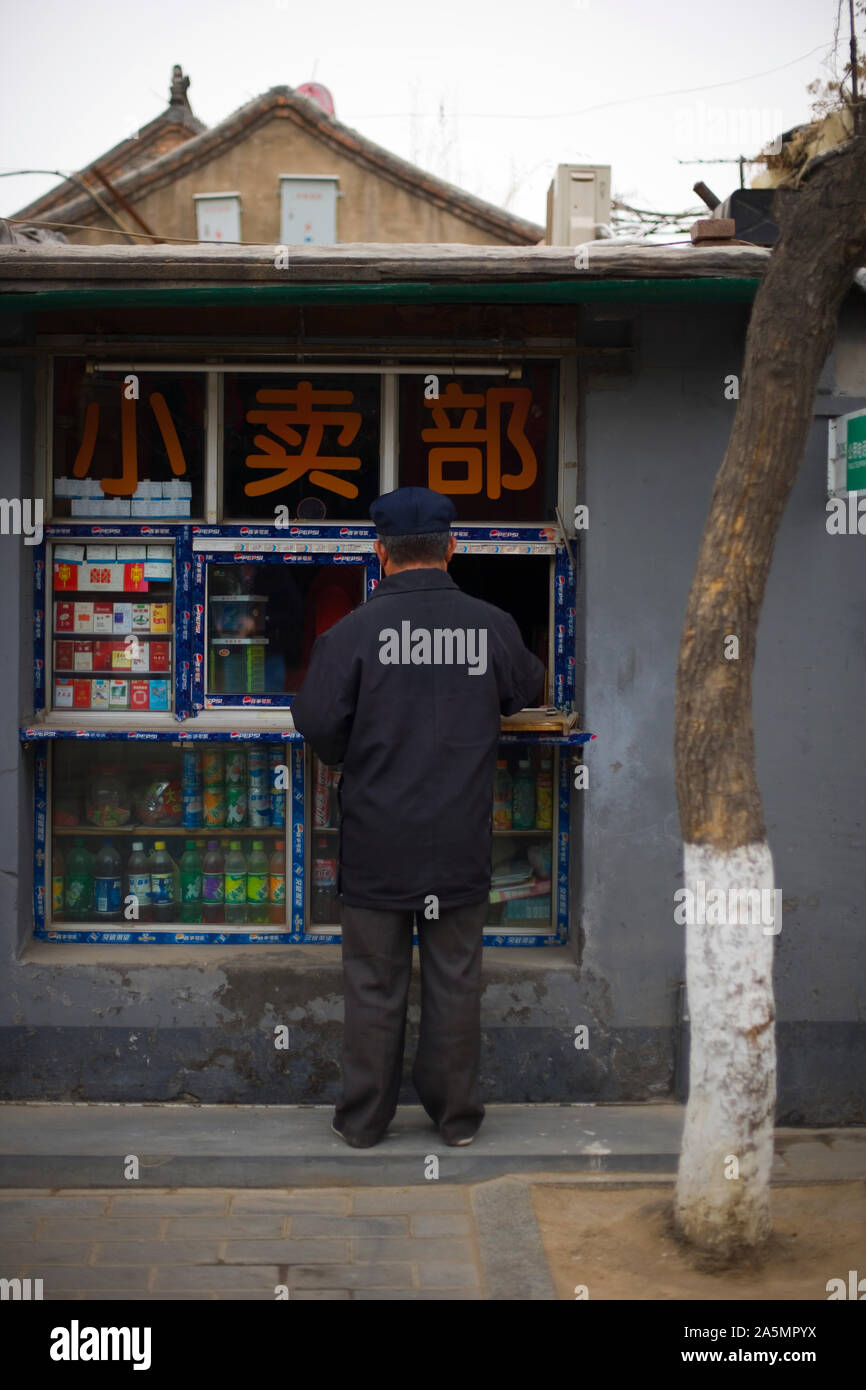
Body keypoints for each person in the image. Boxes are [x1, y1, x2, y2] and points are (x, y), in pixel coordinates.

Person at [291, 486, 545, 1148]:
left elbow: (318, 724)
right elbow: (525, 691)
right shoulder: (490, 624)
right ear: (452, 548)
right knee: (455, 985)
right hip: (459, 840)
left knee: (373, 986)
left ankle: (365, 1122)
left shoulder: (349, 634)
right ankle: (456, 1120)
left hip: (378, 843)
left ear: (379, 554)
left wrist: (353, 748)